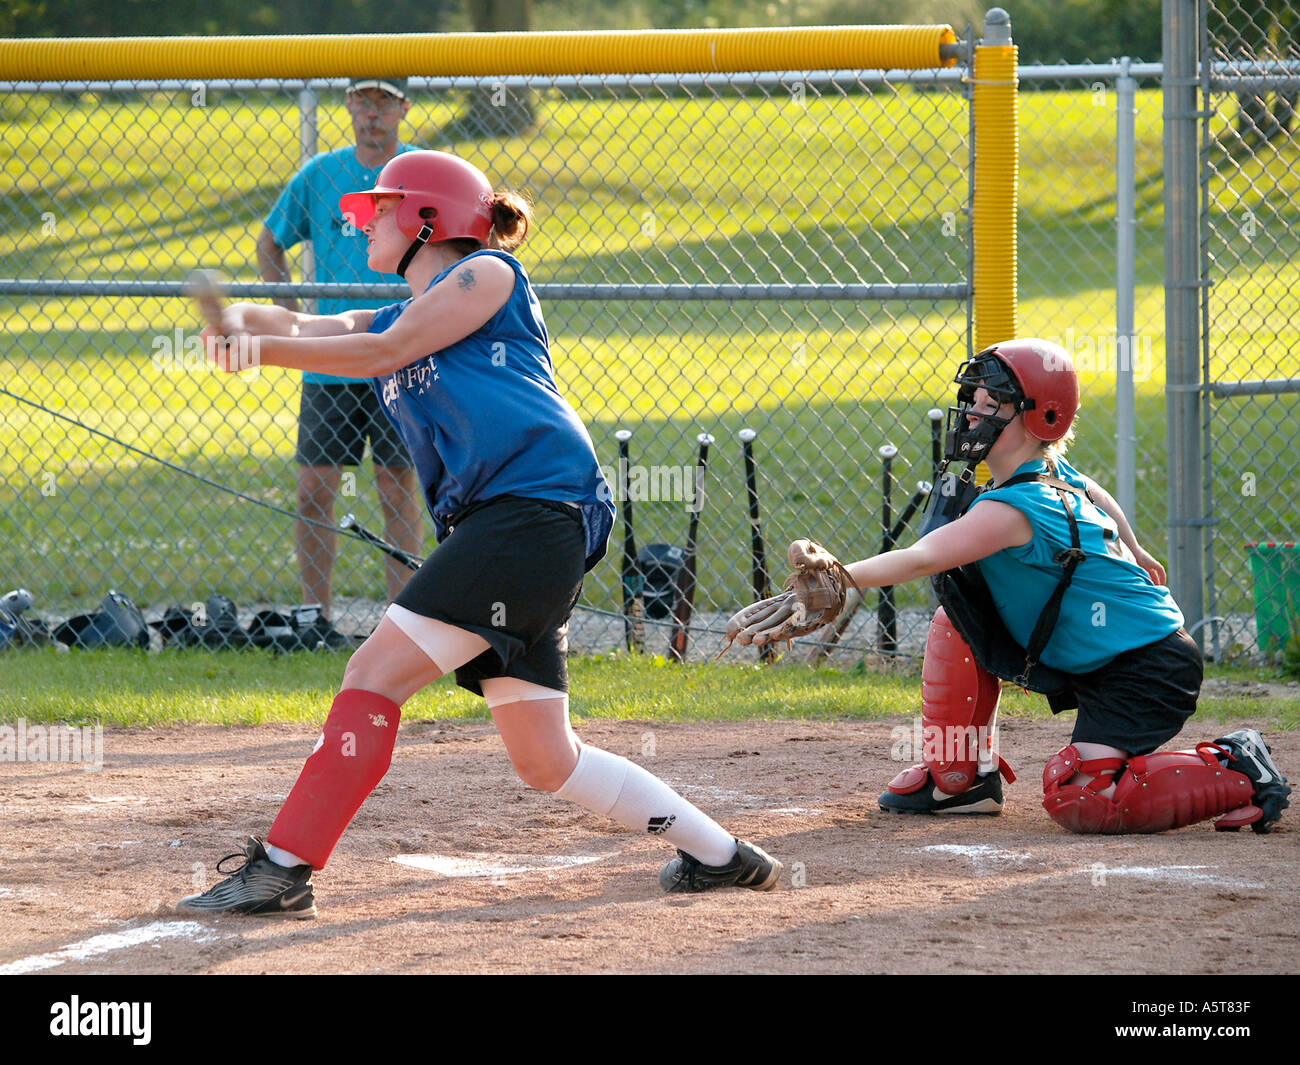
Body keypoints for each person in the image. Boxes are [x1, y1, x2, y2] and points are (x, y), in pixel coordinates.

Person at [178, 150, 782, 917]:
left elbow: (378, 353)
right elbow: (314, 323)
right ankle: (721, 855)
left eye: (385, 207)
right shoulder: (400, 311)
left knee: (372, 674)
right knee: (546, 758)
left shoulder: (488, 274)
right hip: (521, 525)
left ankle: (281, 870)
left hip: (529, 510)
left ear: (430, 217)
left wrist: (258, 350)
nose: (365, 219)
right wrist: (247, 322)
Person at [730, 339, 1290, 835]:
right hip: (1105, 653)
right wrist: (1133, 545)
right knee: (963, 609)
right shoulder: (1047, 473)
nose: (972, 414)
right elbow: (1093, 489)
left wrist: (842, 577)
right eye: (972, 399)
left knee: (1080, 795)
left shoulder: (1013, 507)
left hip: (1145, 670)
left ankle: (1238, 768)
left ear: (1040, 418)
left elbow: (924, 556)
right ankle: (961, 776)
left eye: (991, 404)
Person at [258, 77, 424, 643]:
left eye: (383, 101)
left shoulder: (417, 172)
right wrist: (290, 314)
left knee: (396, 486)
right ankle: (315, 618)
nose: (371, 113)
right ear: (348, 107)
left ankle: (401, 624)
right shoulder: (320, 175)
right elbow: (269, 241)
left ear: (403, 108)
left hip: (400, 353)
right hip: (331, 357)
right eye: (360, 100)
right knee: (313, 488)